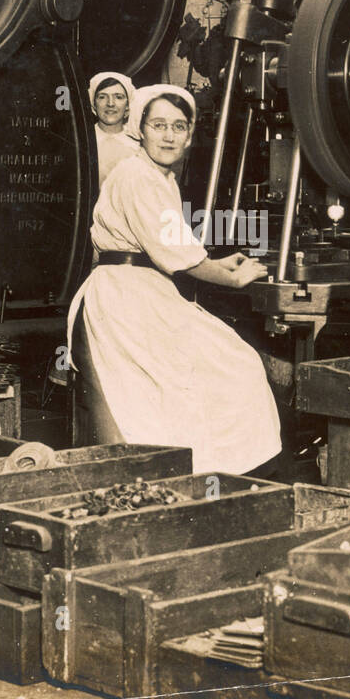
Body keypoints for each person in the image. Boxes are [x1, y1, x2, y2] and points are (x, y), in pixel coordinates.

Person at [68, 83, 281, 475]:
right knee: (232, 367)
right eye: (159, 125)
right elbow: (179, 258)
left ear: (189, 135)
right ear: (141, 129)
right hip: (122, 300)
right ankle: (195, 475)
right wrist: (231, 278)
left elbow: (173, 246)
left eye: (178, 127)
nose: (168, 135)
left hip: (144, 290)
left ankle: (204, 475)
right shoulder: (137, 175)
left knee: (225, 367)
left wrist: (216, 260)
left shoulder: (158, 176)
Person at [88, 71, 139, 188]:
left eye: (118, 97)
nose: (110, 103)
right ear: (94, 104)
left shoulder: (137, 145)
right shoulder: (83, 140)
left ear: (128, 105)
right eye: (102, 97)